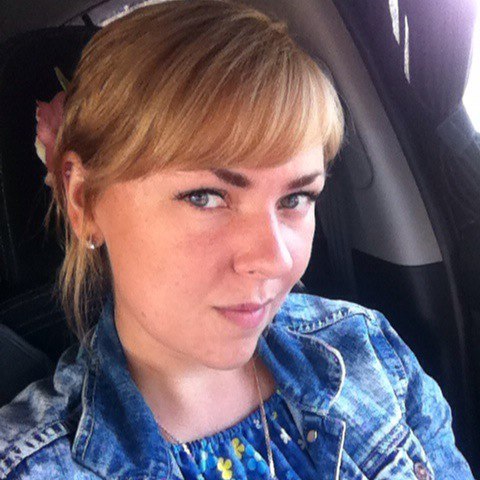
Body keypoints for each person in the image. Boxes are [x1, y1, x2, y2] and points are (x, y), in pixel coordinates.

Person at [0, 1, 475, 479]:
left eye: (295, 198)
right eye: (205, 197)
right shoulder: (30, 466)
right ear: (83, 201)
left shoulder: (368, 351)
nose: (275, 259)